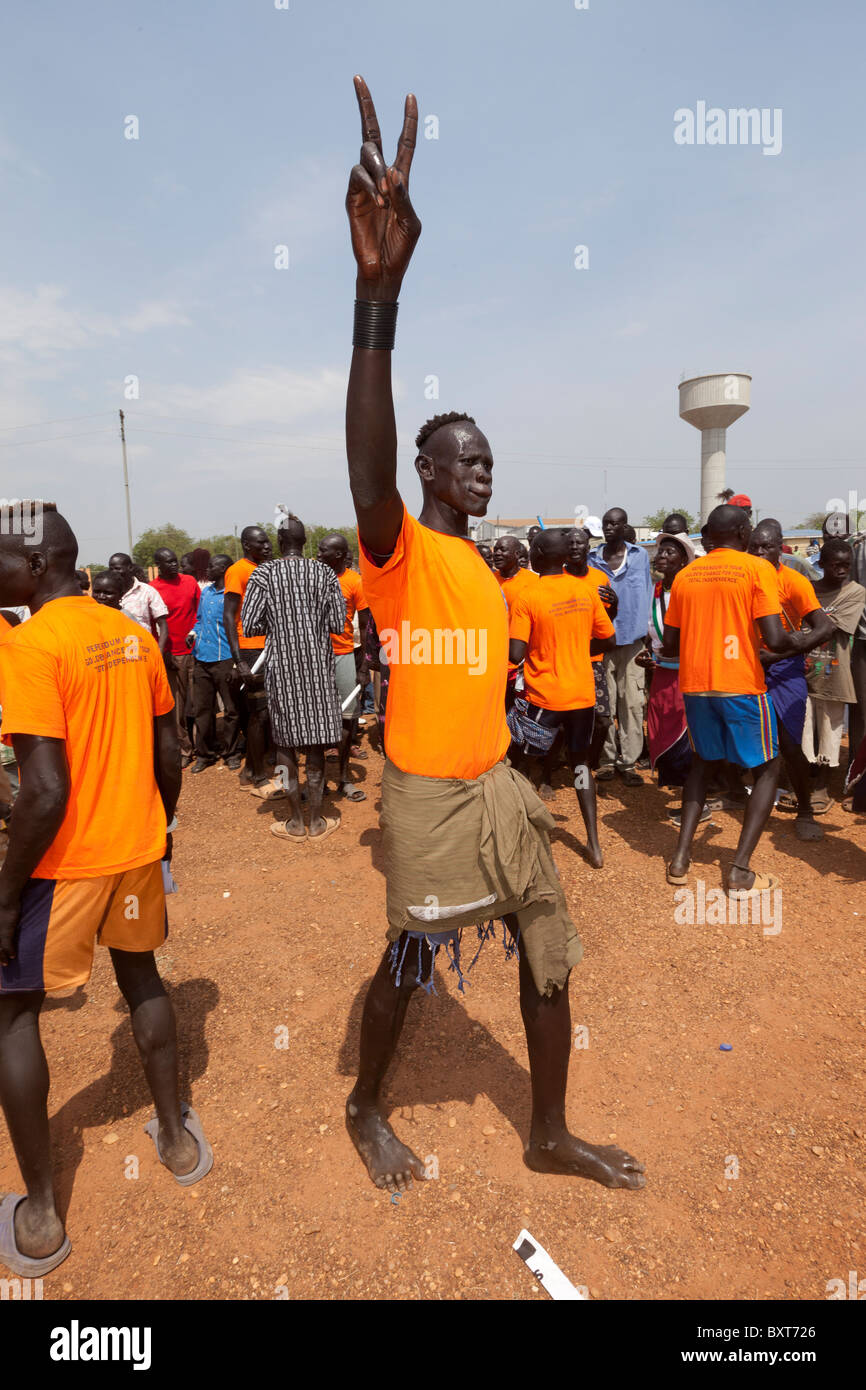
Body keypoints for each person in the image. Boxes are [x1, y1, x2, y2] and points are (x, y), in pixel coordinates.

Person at [341, 76, 644, 1196]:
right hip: (426, 796)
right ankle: (365, 1105)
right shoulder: (401, 551)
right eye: (462, 456)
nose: (480, 466)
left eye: (485, 457)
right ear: (428, 472)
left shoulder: (482, 564)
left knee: (546, 954)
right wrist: (376, 299)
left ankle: (548, 1130)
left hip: (501, 785)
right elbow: (364, 465)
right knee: (412, 962)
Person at [0, 503, 211, 1279]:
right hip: (134, 850)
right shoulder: (132, 634)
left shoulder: (29, 646)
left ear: (31, 566)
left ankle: (44, 1214)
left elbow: (44, 791)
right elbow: (171, 752)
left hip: (64, 865)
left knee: (13, 1014)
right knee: (141, 978)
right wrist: (163, 831)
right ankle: (177, 1139)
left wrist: (3, 893)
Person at [661, 505, 818, 894]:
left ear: (711, 536)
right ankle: (739, 869)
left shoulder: (685, 575)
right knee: (768, 766)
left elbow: (670, 644)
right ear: (745, 533)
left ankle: (680, 859)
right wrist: (810, 638)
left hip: (696, 685)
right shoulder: (757, 569)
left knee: (701, 765)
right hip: (741, 684)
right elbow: (778, 639)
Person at [507, 528, 616, 867]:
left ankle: (534, 844)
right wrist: (576, 652)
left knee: (523, 764)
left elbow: (515, 652)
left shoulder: (528, 595)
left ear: (537, 554)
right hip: (582, 695)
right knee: (582, 764)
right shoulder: (584, 591)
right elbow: (608, 639)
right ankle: (594, 846)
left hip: (545, 698)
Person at [242, 511, 346, 841]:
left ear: (279, 542)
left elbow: (250, 624)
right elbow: (337, 623)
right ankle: (317, 822)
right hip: (317, 669)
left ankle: (294, 823)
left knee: (285, 743)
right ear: (304, 543)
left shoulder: (263, 575)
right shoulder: (325, 574)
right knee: (315, 744)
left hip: (283, 670)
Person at [748, 520, 833, 839]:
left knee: (790, 743)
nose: (758, 552)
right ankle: (746, 797)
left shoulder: (794, 581)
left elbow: (825, 627)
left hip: (784, 671)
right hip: (747, 668)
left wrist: (781, 654)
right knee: (751, 739)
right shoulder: (744, 578)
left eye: (766, 546)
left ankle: (805, 810)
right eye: (753, 545)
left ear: (780, 546)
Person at [797, 539, 866, 813]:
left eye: (846, 566)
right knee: (803, 726)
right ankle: (800, 782)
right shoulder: (807, 589)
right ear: (821, 564)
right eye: (835, 565)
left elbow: (827, 629)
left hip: (834, 669)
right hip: (802, 670)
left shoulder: (855, 592)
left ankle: (822, 786)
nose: (840, 571)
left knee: (830, 728)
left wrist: (799, 634)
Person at [636, 533, 698, 810]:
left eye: (670, 552)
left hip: (686, 673)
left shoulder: (691, 590)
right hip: (662, 670)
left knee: (684, 732)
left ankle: (695, 800)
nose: (661, 555)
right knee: (661, 725)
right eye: (660, 551)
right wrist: (648, 653)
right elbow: (654, 629)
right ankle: (678, 786)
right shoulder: (656, 589)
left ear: (684, 560)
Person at [591, 508, 653, 784]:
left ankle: (627, 763)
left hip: (633, 642)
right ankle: (606, 760)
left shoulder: (640, 558)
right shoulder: (593, 559)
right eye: (606, 523)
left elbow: (649, 595)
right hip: (602, 641)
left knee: (632, 703)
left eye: (616, 524)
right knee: (605, 705)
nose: (610, 528)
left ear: (625, 526)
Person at [317, 532, 369, 802]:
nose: (317, 553)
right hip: (315, 657)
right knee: (315, 719)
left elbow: (366, 624)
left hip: (343, 655)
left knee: (347, 717)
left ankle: (344, 779)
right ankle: (319, 780)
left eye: (323, 550)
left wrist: (364, 667)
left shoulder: (354, 581)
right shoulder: (313, 578)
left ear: (338, 554)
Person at [565, 526, 618, 777]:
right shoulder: (556, 578)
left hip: (593, 658)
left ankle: (590, 762)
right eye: (570, 543)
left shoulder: (599, 578)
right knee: (564, 718)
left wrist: (615, 603)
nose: (575, 547)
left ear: (588, 548)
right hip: (563, 658)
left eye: (580, 543)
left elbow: (608, 621)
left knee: (603, 720)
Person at [223, 526, 274, 793]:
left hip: (271, 648)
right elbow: (229, 616)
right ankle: (255, 774)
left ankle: (259, 766)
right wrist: (238, 659)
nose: (267, 546)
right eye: (260, 543)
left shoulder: (268, 569)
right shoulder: (238, 571)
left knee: (270, 712)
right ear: (246, 545)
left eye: (268, 542)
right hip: (250, 650)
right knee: (258, 713)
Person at [187, 554, 242, 773]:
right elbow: (200, 620)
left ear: (225, 570)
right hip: (202, 657)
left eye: (212, 566)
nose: (207, 569)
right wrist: (193, 633)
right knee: (202, 709)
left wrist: (238, 662)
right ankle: (205, 754)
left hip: (225, 658)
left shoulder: (232, 594)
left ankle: (231, 752)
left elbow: (237, 625)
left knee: (231, 709)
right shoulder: (206, 593)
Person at [151, 549, 200, 769]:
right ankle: (185, 749)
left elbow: (200, 614)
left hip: (196, 652)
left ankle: (205, 747)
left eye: (175, 561)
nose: (173, 565)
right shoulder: (153, 589)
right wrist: (163, 653)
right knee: (178, 706)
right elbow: (155, 626)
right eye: (168, 562)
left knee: (199, 703)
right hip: (172, 655)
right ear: (158, 565)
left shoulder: (190, 581)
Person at [108, 553, 169, 655]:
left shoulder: (147, 591)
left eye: (117, 568)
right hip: (115, 654)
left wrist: (159, 652)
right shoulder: (106, 593)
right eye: (111, 569)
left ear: (130, 568)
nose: (114, 572)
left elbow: (163, 625)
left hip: (143, 652)